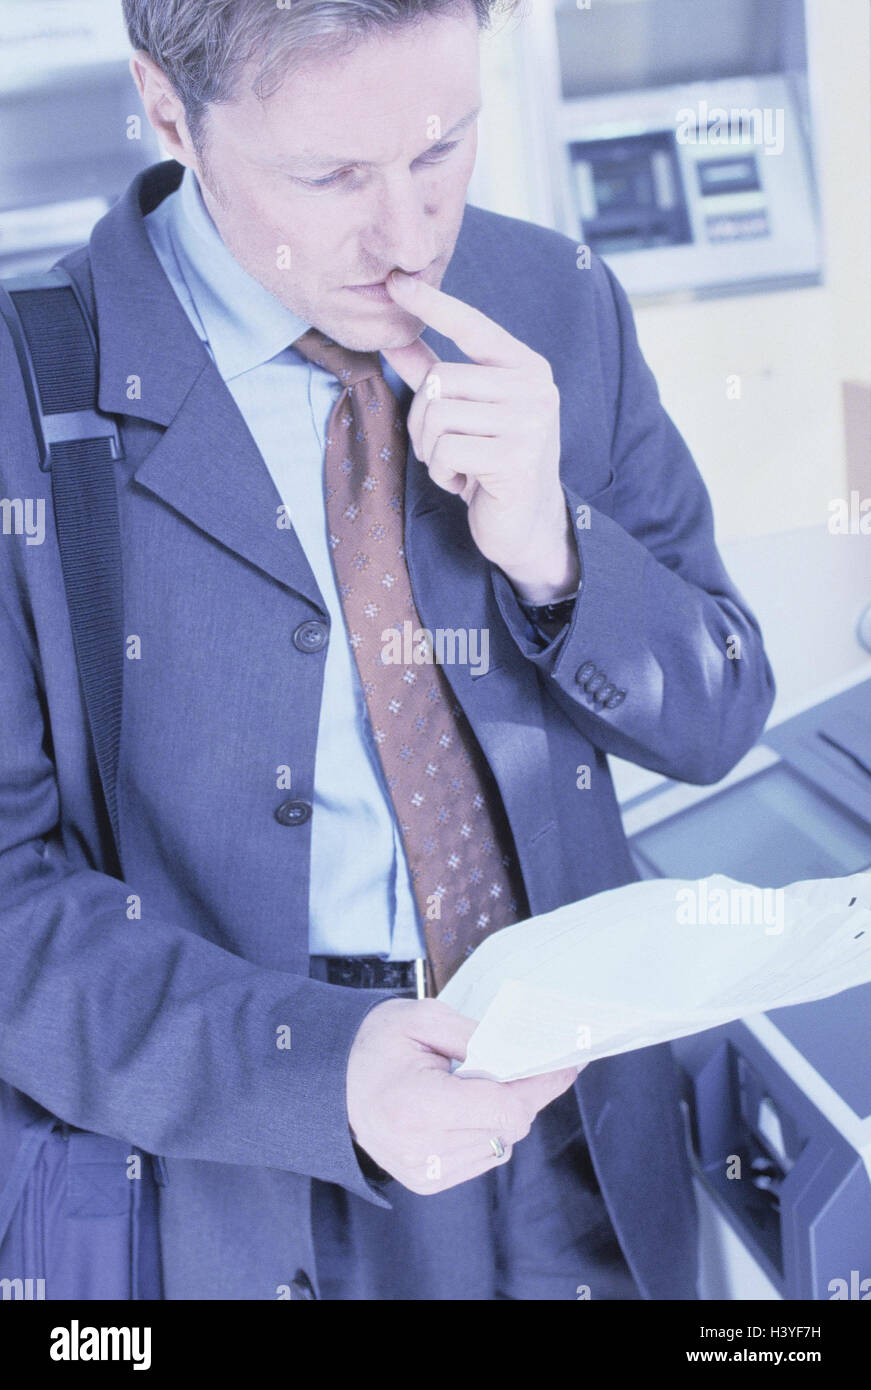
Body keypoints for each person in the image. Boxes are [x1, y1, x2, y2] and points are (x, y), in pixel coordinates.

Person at [0, 0, 775, 1300]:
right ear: (168, 105)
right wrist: (321, 1066)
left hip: (586, 1155)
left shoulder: (557, 303)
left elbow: (720, 704)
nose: (412, 236)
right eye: (333, 176)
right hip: (250, 1180)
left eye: (443, 147)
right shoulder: (27, 398)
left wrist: (558, 551)